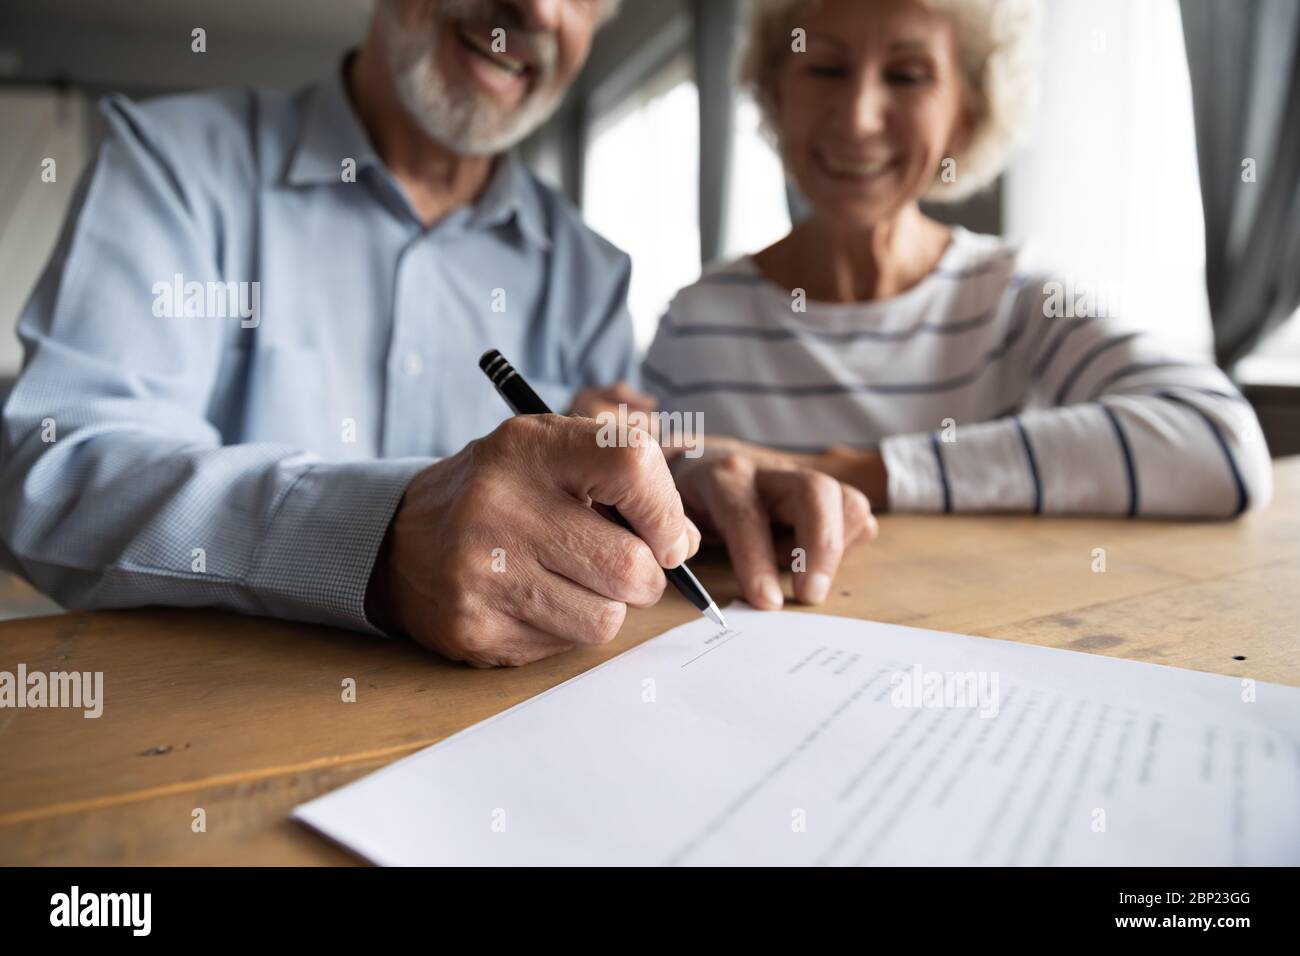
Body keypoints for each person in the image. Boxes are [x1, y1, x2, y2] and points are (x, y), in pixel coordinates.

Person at [0, 0, 873, 668]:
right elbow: (55, 474)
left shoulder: (589, 269)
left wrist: (680, 484)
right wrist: (377, 537)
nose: (534, 7)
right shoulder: (172, 167)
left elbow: (601, 474)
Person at [644, 0, 1272, 535]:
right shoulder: (695, 321)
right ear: (776, 94)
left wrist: (856, 472)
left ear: (966, 116)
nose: (859, 118)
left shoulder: (1016, 300)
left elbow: (1223, 444)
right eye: (827, 68)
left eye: (909, 76)